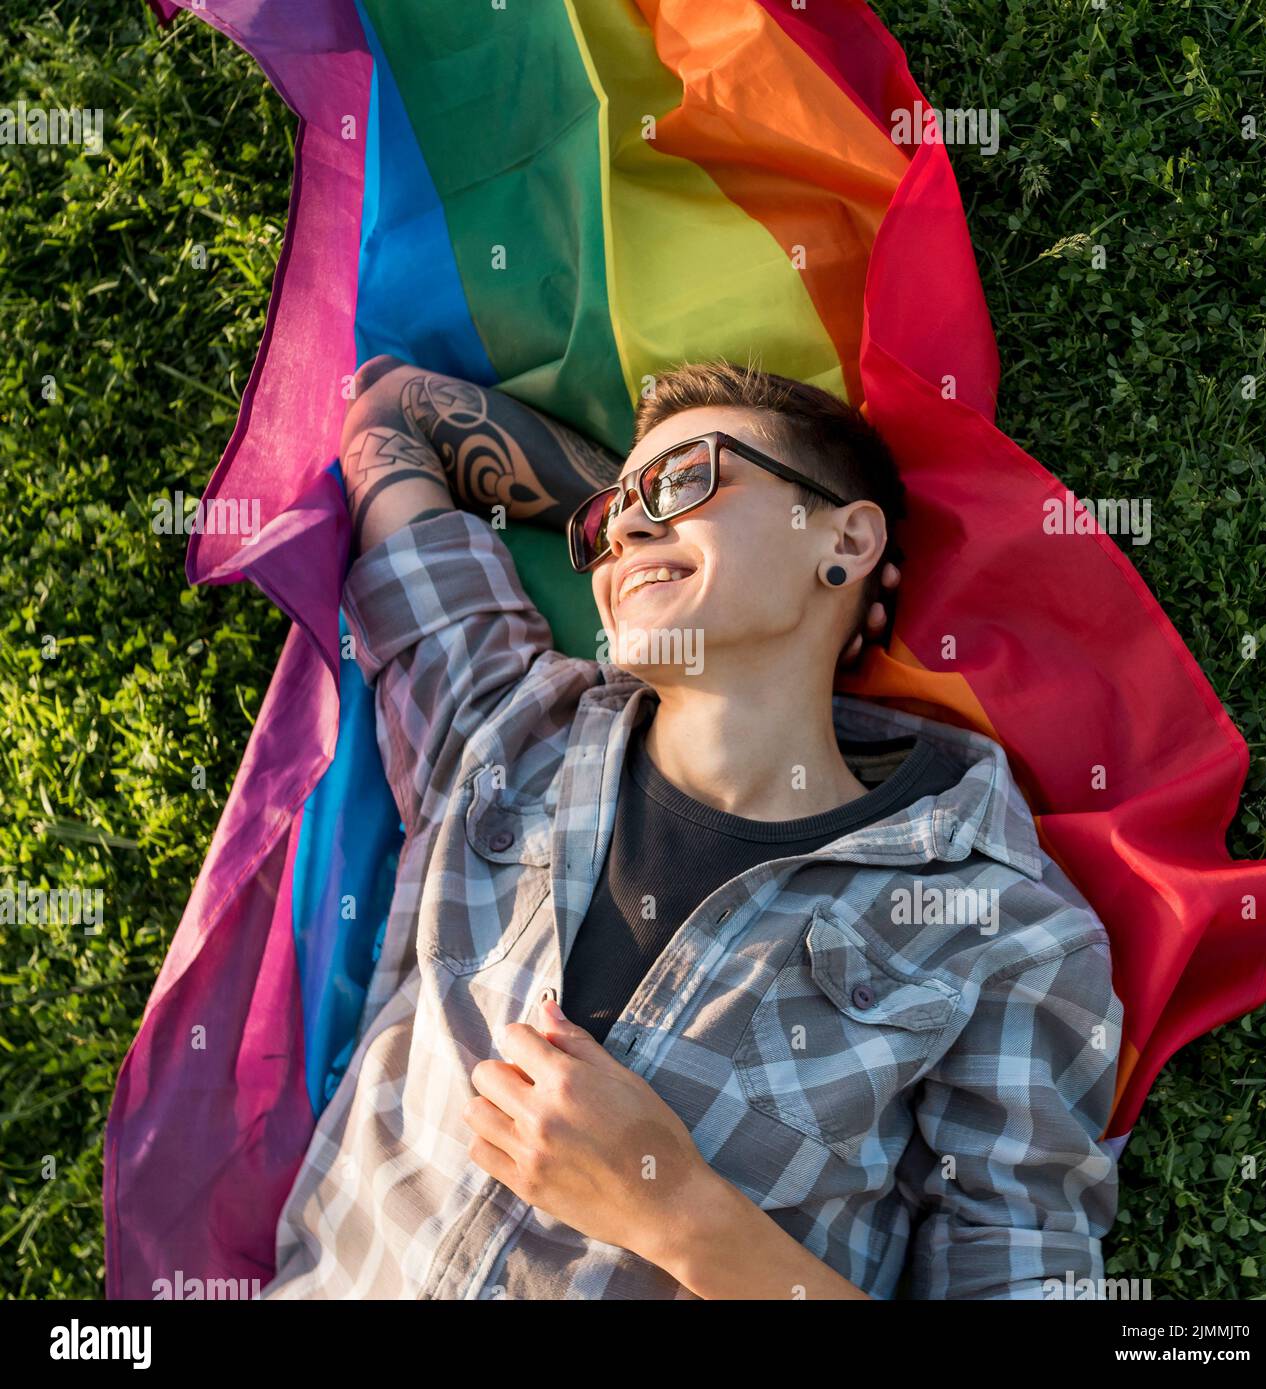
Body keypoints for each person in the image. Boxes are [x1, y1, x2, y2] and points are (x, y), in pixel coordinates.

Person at [257, 355, 1123, 1300]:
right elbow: (391, 411)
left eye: (686, 478)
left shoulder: (999, 927)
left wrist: (675, 1211)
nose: (620, 532)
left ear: (848, 538)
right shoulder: (503, 726)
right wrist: (666, 527)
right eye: (605, 524)